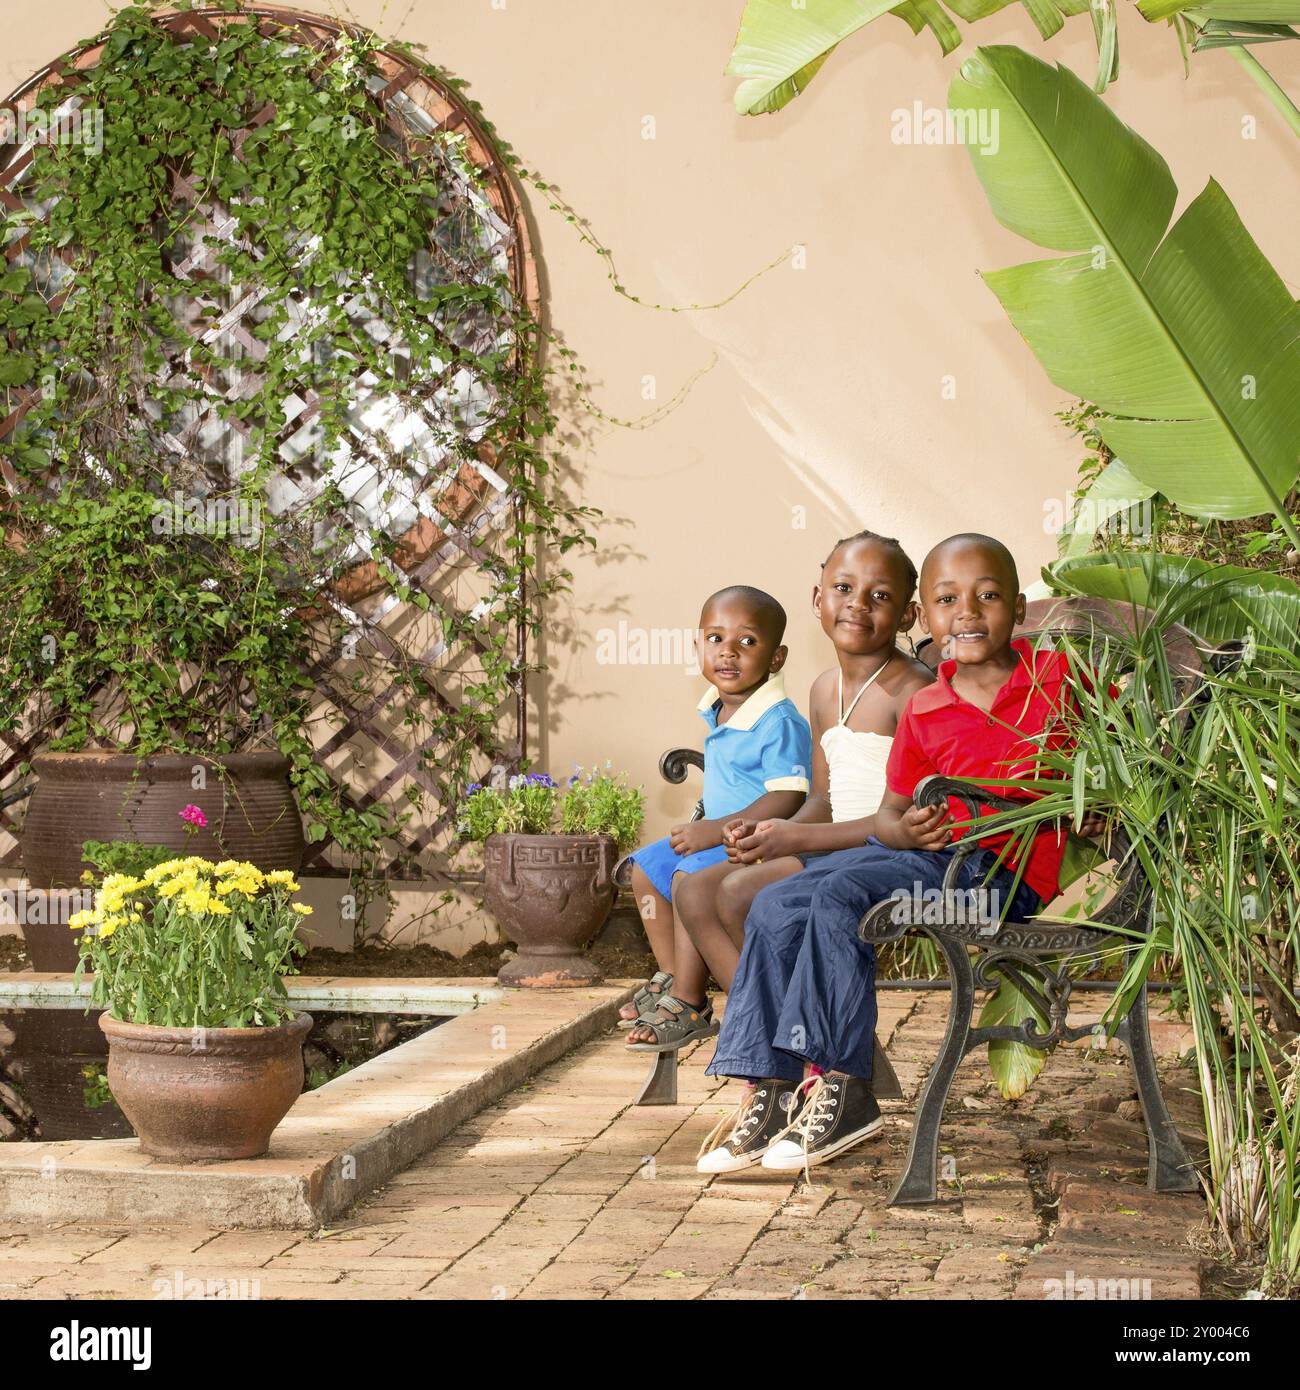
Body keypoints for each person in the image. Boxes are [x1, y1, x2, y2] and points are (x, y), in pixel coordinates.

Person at [698, 533, 1102, 1174]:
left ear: (1018, 608)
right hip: (932, 862)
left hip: (1003, 875)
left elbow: (1117, 768)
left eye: (987, 597)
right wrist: (906, 828)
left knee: (838, 893)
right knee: (776, 903)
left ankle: (847, 1089)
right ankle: (773, 1091)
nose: (967, 613)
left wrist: (1095, 808)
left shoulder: (1057, 681)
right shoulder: (929, 707)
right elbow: (888, 816)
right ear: (929, 616)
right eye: (948, 600)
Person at [661, 531, 930, 1052]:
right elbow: (822, 799)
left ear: (906, 616)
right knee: (693, 889)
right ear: (817, 598)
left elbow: (901, 819)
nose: (857, 604)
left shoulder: (912, 690)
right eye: (843, 588)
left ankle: (786, 1044)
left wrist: (794, 839)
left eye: (879, 595)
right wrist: (768, 831)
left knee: (737, 891)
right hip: (829, 843)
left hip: (881, 851)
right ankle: (778, 1036)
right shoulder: (825, 689)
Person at [620, 585, 812, 1051]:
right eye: (715, 638)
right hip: (718, 836)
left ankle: (689, 1002)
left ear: (777, 657)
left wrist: (713, 830)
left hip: (753, 843)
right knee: (646, 869)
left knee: (687, 877)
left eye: (747, 641)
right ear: (698, 645)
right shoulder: (720, 706)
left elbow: (789, 795)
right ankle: (673, 976)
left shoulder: (779, 720)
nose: (728, 651)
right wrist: (708, 830)